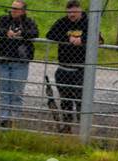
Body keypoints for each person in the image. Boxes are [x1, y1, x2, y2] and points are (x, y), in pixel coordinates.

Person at [46, 1, 102, 133]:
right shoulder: (62, 22)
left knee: (81, 100)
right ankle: (67, 127)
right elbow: (50, 34)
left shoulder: (89, 22)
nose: (71, 14)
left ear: (80, 11)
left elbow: (99, 39)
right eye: (69, 12)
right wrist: (68, 39)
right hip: (63, 68)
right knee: (65, 100)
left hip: (81, 70)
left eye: (74, 12)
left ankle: (84, 129)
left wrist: (82, 40)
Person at [0, 0, 38, 128]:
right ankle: (4, 119)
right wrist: (7, 32)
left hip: (20, 62)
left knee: (17, 92)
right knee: (4, 91)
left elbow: (35, 33)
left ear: (23, 11)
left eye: (16, 9)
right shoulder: (5, 20)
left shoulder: (29, 22)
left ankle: (15, 120)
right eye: (12, 8)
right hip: (4, 61)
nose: (13, 11)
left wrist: (21, 33)